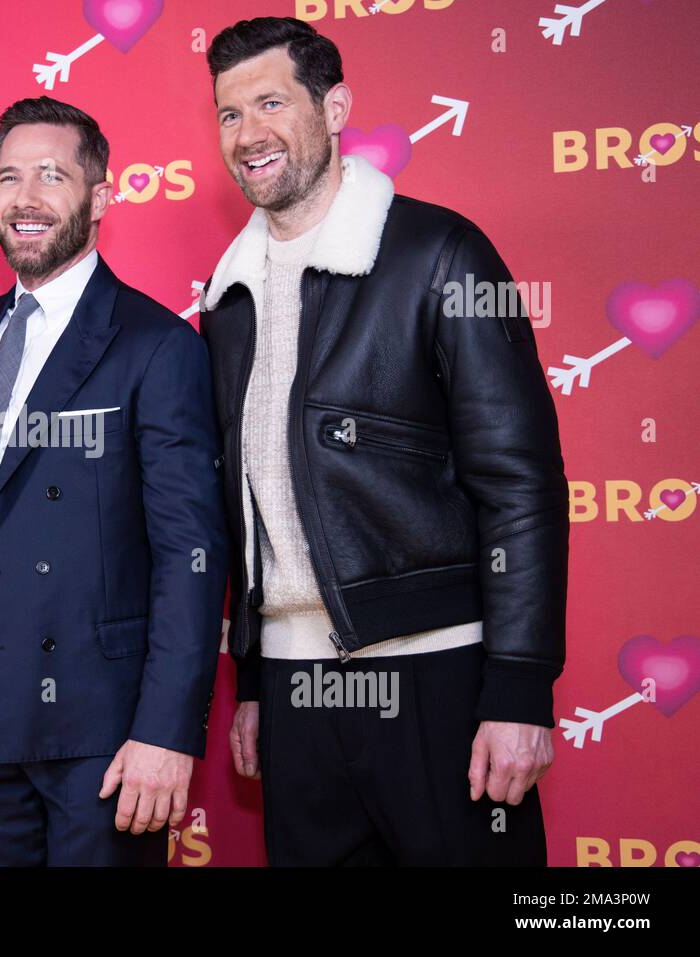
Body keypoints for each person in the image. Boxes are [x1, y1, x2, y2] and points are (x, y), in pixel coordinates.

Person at [199, 17, 569, 865]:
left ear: (335, 109)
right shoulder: (229, 301)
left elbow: (523, 484)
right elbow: (246, 507)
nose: (248, 134)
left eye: (269, 102)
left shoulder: (446, 253)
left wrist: (518, 686)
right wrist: (257, 679)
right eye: (227, 114)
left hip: (439, 677)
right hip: (297, 694)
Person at [0, 97, 227, 866]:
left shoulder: (156, 345)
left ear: (101, 197)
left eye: (51, 175)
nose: (24, 198)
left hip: (105, 728)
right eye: (8, 176)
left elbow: (189, 554)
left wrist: (165, 731)